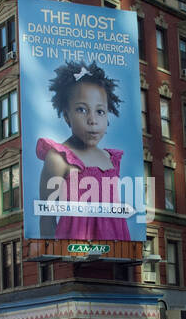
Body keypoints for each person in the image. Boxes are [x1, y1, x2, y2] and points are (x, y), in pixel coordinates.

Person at [36, 61, 129, 241]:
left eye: (100, 111)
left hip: (115, 251)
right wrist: (55, 258)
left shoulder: (111, 159)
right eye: (81, 110)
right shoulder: (58, 157)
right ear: (66, 115)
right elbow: (46, 218)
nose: (92, 120)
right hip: (74, 251)